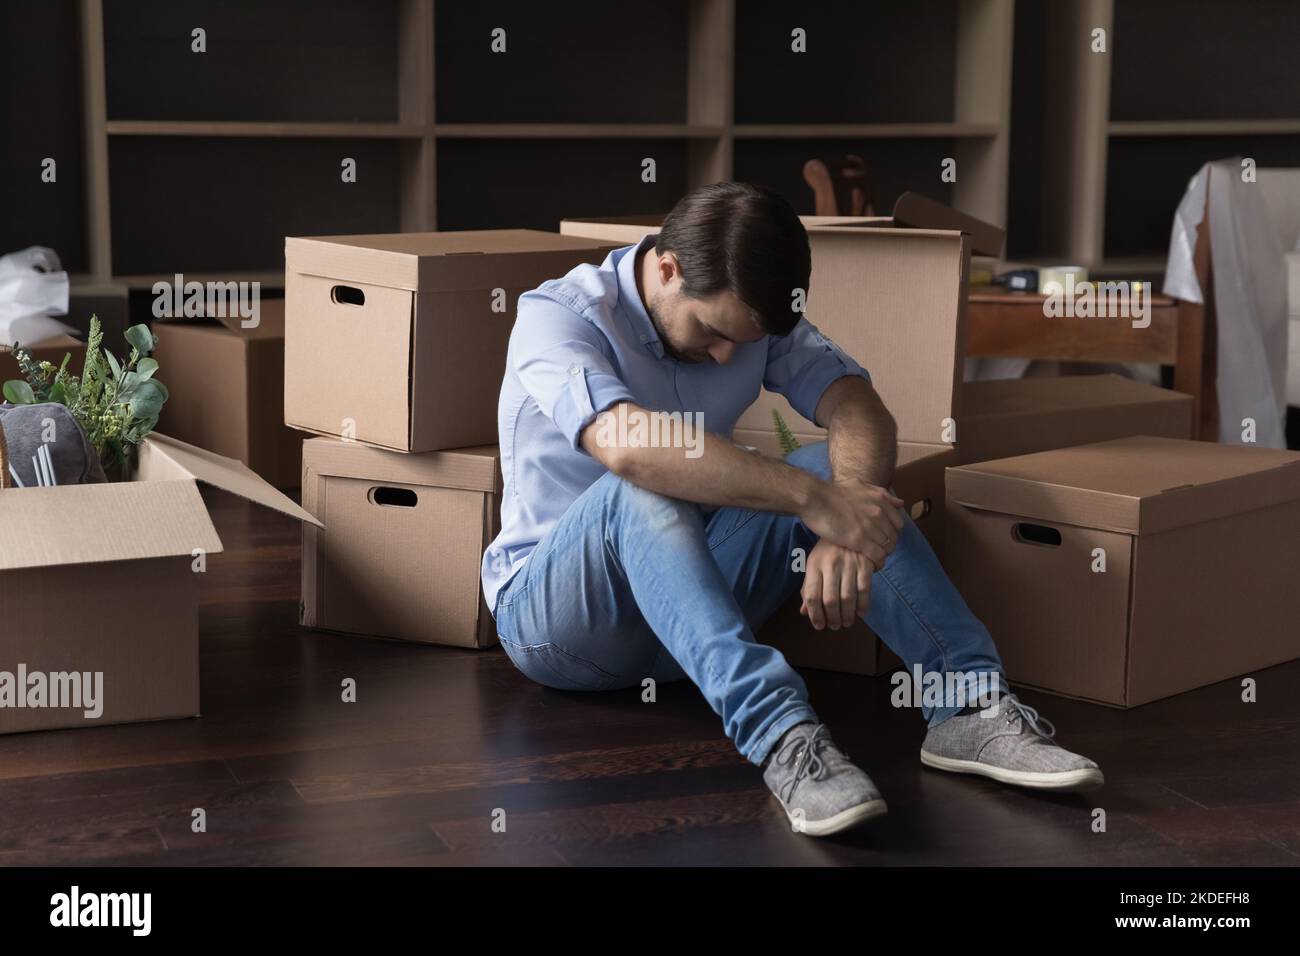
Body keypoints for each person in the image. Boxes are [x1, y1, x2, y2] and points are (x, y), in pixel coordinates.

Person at [481, 182, 1103, 837]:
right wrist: (817, 504)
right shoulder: (561, 316)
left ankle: (967, 705)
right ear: (667, 267)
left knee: (828, 463)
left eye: (741, 342)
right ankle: (782, 738)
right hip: (560, 624)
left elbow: (858, 406)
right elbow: (630, 447)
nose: (727, 356)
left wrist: (845, 529)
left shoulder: (748, 311)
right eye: (716, 332)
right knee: (645, 482)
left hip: (690, 618)